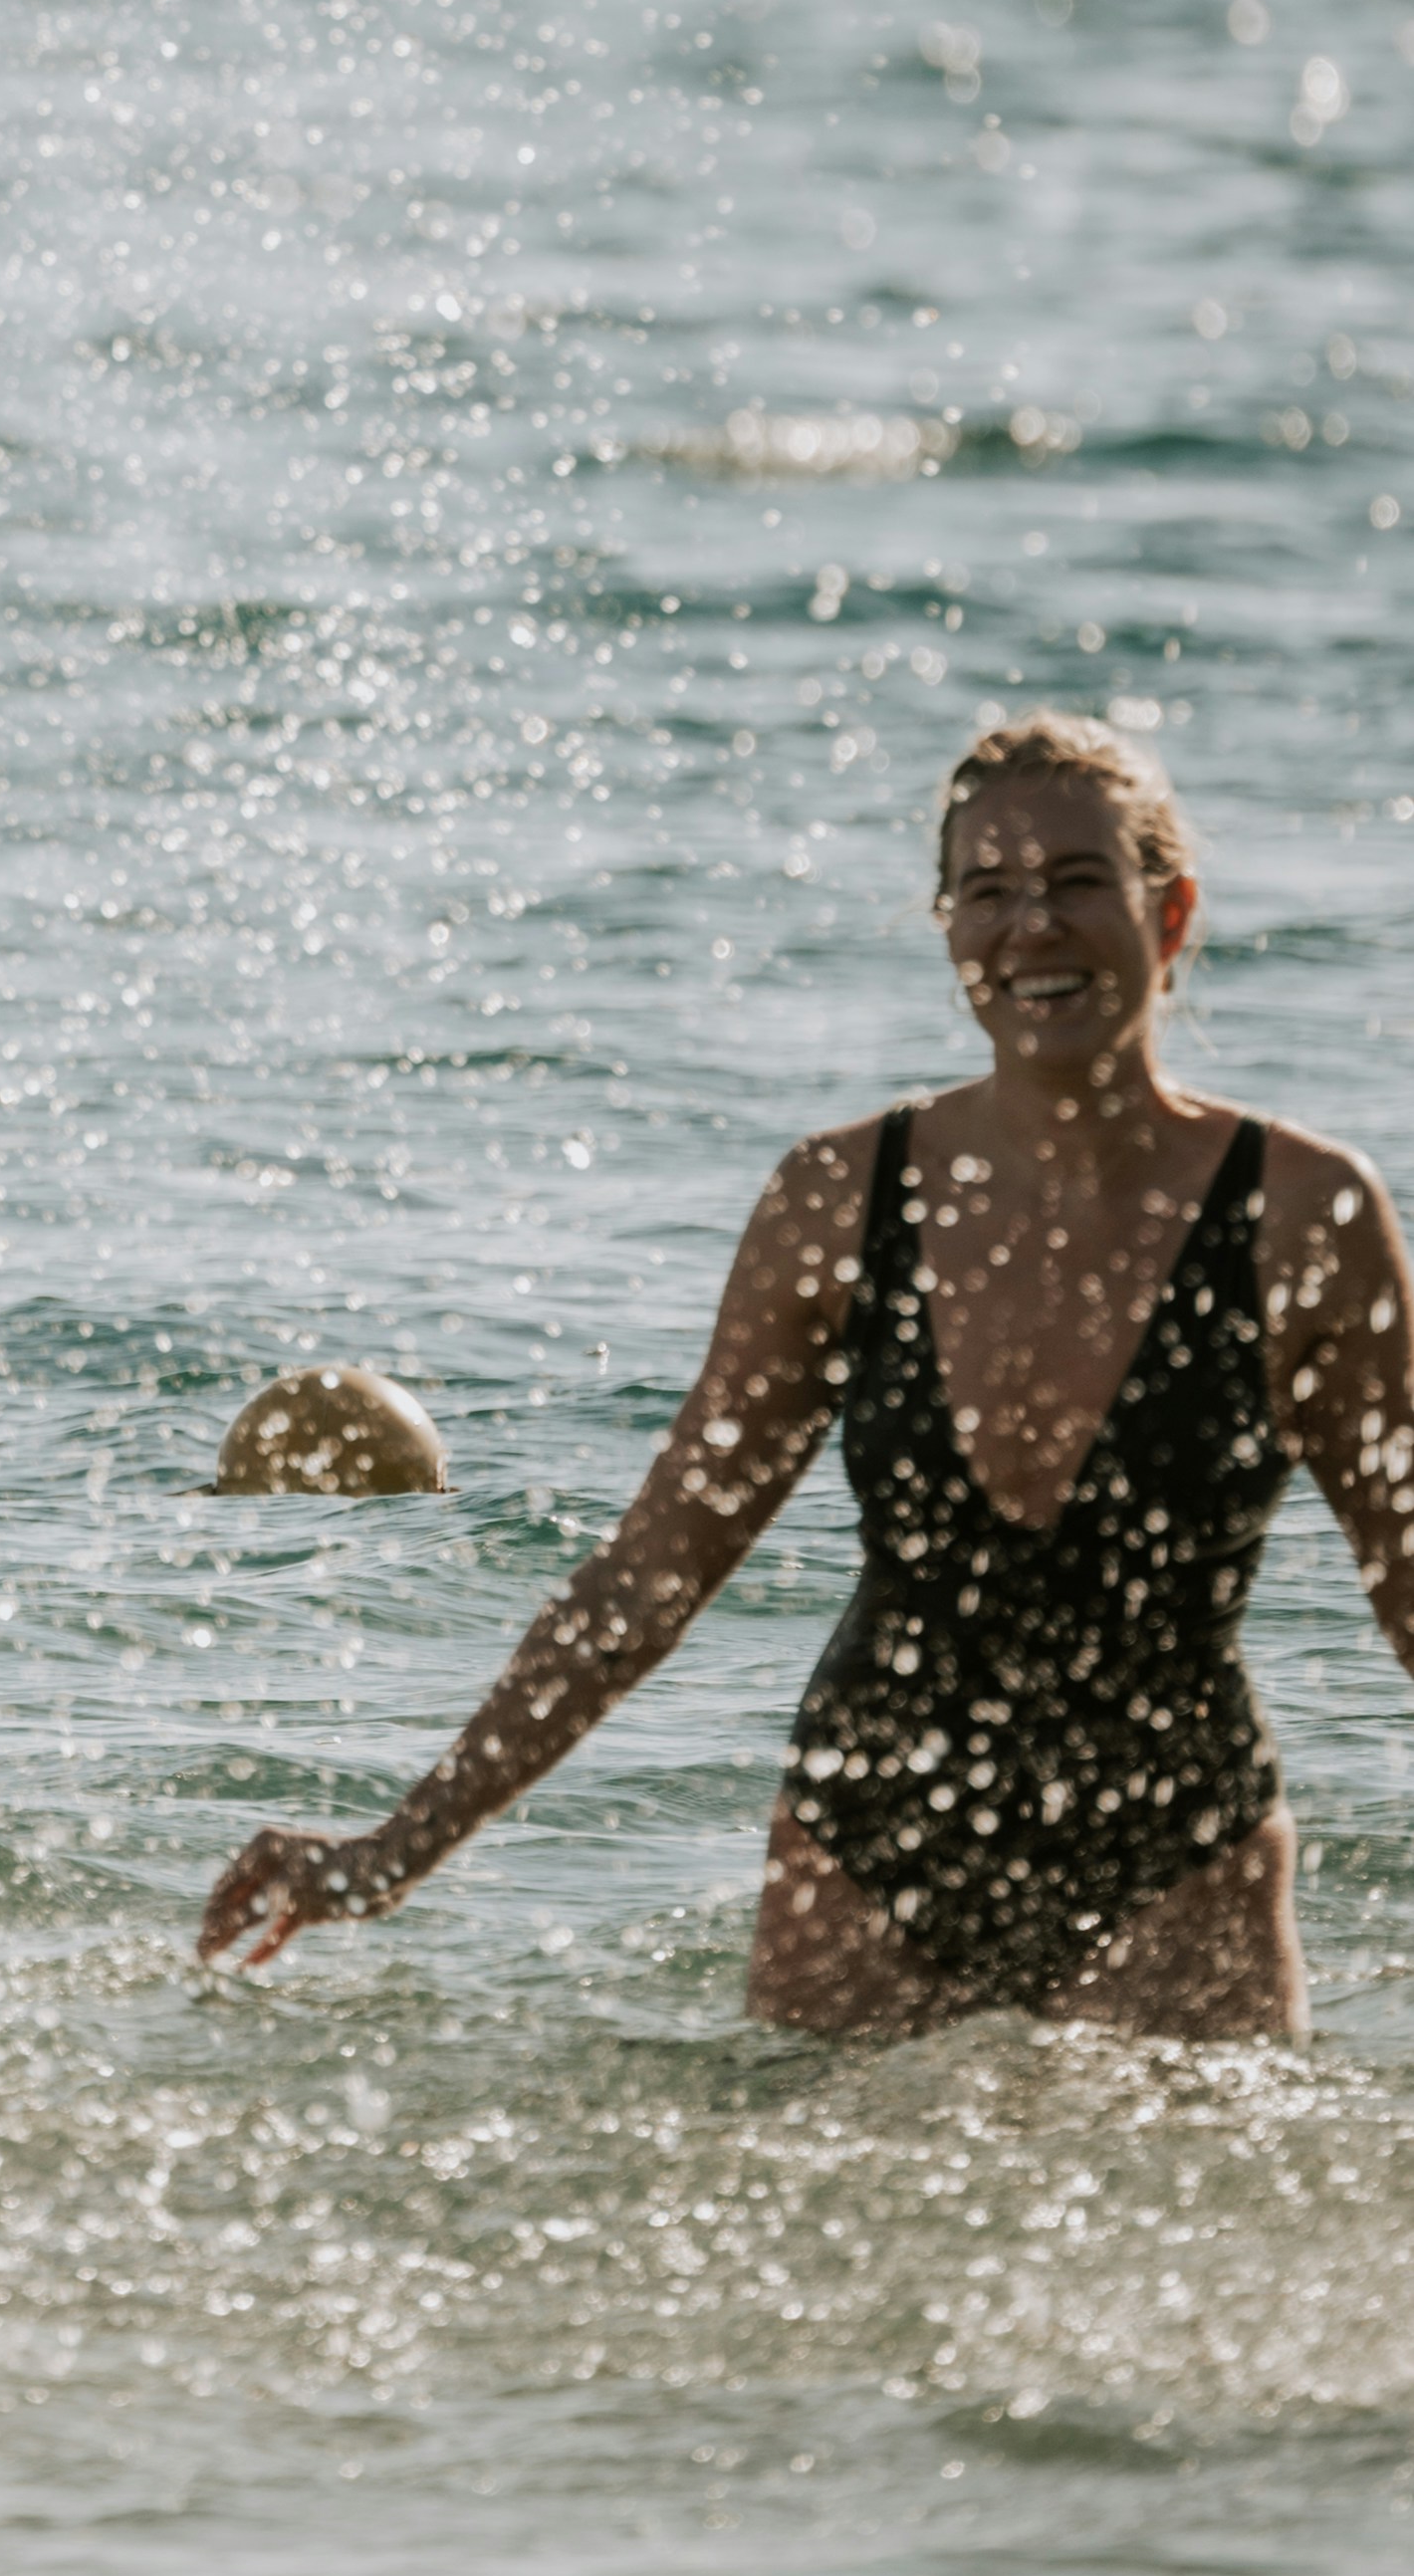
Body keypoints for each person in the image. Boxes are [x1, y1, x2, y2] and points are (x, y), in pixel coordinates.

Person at [201, 715, 1414, 2041]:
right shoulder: (842, 1201)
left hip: (1183, 1858)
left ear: (1166, 911)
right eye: (987, 892)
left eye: (1076, 883)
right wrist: (395, 1849)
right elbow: (651, 1573)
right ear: (948, 925)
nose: (1032, 931)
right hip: (865, 1850)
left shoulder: (1302, 1214)